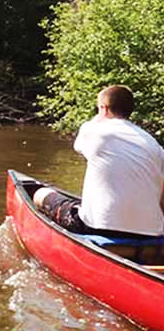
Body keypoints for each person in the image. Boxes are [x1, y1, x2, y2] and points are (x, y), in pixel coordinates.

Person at [33, 85, 164, 237]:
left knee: (41, 194)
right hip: (152, 232)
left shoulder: (93, 130)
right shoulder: (153, 145)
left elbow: (80, 148)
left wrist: (99, 117)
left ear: (103, 108)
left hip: (98, 228)